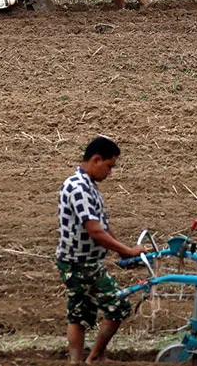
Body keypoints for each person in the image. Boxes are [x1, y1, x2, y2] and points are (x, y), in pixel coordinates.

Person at [56, 135, 146, 364]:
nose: (110, 172)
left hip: (81, 261)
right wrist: (128, 249)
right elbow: (95, 231)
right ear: (96, 160)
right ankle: (94, 358)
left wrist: (123, 252)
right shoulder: (78, 188)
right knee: (118, 307)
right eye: (109, 166)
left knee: (79, 313)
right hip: (79, 263)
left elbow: (103, 226)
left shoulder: (89, 186)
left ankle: (76, 362)